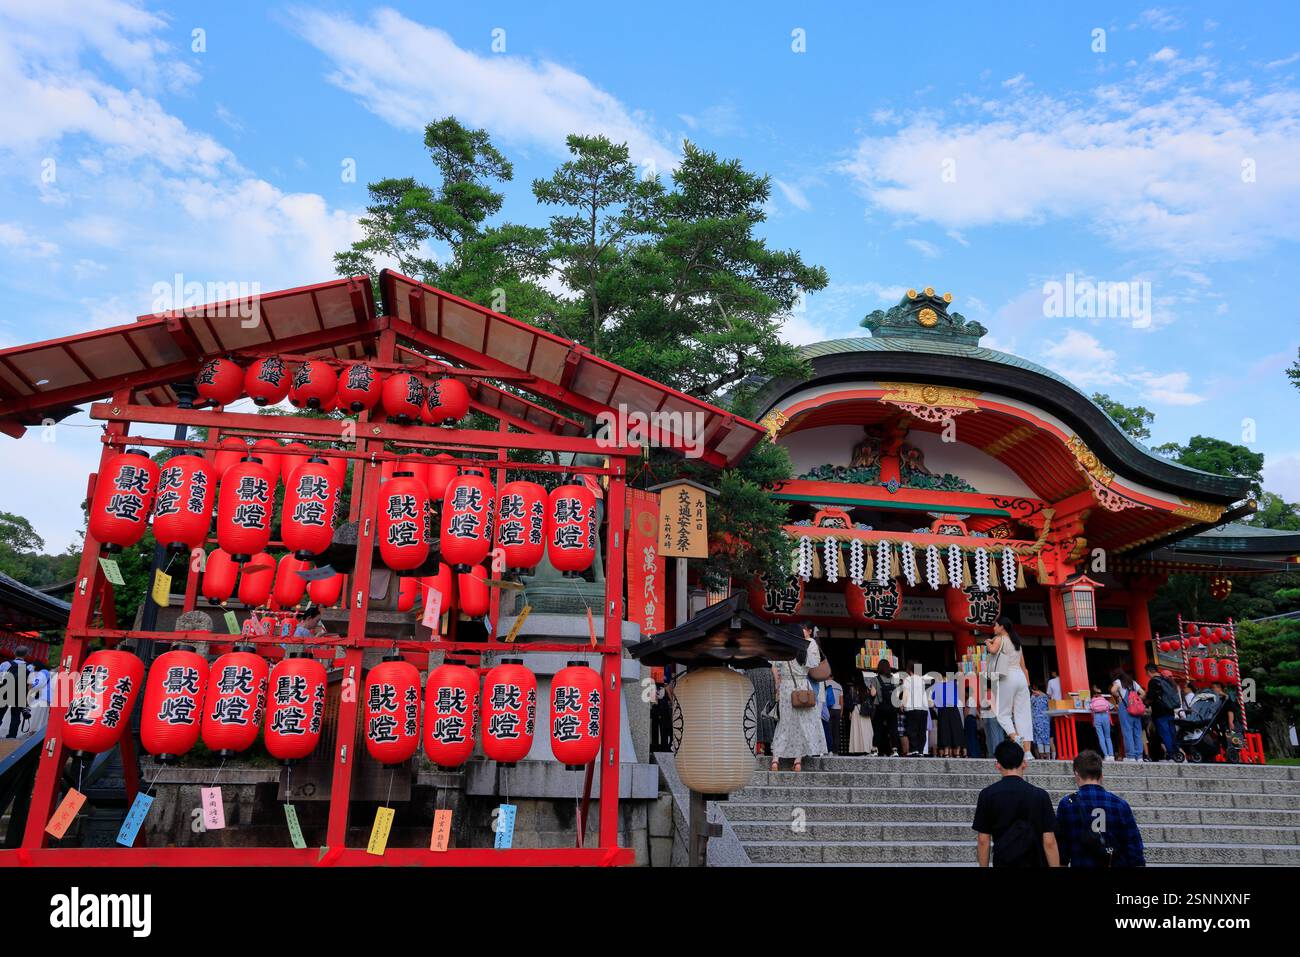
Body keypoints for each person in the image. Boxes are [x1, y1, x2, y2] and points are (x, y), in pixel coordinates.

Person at [972, 739, 1059, 867]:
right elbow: (1049, 841)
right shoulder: (1040, 795)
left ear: (998, 765)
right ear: (1024, 763)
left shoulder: (987, 795)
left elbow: (983, 840)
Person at [1055, 750, 1146, 867]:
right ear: (1101, 776)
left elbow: (1062, 850)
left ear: (1077, 775)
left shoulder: (1067, 804)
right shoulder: (1120, 804)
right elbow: (1134, 848)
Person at [770, 627, 828, 772]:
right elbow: (815, 664)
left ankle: (776, 759)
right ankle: (797, 761)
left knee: (784, 723)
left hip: (785, 689)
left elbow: (774, 668)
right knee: (802, 724)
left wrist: (777, 686)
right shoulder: (805, 650)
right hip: (802, 687)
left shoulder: (782, 650)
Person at [987, 617, 1034, 757]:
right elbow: (1024, 666)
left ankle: (1015, 737)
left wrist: (987, 642)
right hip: (1020, 677)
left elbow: (993, 651)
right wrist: (1028, 684)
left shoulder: (999, 639)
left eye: (995, 626)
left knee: (1002, 713)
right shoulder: (1017, 642)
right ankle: (1028, 752)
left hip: (1007, 676)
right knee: (1023, 715)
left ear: (1002, 627)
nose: (994, 628)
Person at [1144, 663, 1179, 761]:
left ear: (1149, 671)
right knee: (1172, 732)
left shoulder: (1153, 682)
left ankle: (1170, 754)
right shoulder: (1166, 680)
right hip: (1170, 710)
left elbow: (1151, 697)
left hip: (1159, 711)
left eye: (1146, 672)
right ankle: (1177, 752)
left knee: (1165, 732)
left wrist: (1145, 702)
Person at [1112, 670, 1146, 762]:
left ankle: (1130, 756)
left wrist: (1118, 696)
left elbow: (1113, 690)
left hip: (1125, 710)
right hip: (1136, 711)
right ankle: (1139, 756)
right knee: (1137, 733)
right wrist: (1137, 700)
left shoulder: (1118, 682)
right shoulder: (1134, 683)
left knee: (1127, 732)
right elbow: (1143, 693)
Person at [0, 644, 32, 739]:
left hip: (5, 691)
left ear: (14, 653)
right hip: (20, 693)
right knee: (16, 716)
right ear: (26, 655)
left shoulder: (6, 664)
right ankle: (11, 736)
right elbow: (30, 684)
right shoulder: (29, 667)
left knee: (0, 713)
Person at [872, 659, 901, 757]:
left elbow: (873, 693)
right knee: (893, 729)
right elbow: (897, 694)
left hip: (880, 707)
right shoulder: (894, 679)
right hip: (892, 708)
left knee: (878, 728)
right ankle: (895, 750)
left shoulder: (876, 679)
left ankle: (875, 749)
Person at [901, 661, 928, 757]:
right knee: (921, 730)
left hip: (913, 707)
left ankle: (914, 749)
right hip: (924, 708)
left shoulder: (908, 680)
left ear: (909, 669)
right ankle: (920, 750)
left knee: (912, 729)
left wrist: (902, 704)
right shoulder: (922, 680)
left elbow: (906, 693)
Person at [746, 665, 775, 756]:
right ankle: (770, 748)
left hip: (750, 673)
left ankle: (757, 748)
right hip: (768, 673)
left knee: (754, 710)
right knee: (768, 711)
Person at [933, 672, 963, 757]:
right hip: (953, 709)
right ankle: (957, 753)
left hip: (943, 710)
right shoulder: (954, 684)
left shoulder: (937, 686)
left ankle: (946, 752)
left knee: (944, 730)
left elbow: (934, 702)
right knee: (956, 729)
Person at [848, 676, 877, 755]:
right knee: (867, 730)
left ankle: (858, 749)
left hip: (856, 710)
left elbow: (850, 702)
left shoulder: (852, 689)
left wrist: (850, 712)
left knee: (857, 731)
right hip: (865, 710)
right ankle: (868, 747)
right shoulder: (866, 689)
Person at [1089, 685, 1115, 760]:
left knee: (1101, 737)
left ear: (1094, 694)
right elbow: (1112, 707)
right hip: (1105, 716)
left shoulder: (1092, 700)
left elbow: (1089, 707)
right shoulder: (1105, 700)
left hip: (1097, 717)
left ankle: (1106, 755)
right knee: (1108, 737)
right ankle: (1112, 755)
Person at [1031, 683, 1052, 759]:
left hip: (1036, 719)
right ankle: (1048, 756)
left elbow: (1031, 706)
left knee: (1039, 737)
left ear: (1035, 687)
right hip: (1046, 718)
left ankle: (1042, 757)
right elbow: (1049, 707)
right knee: (1046, 737)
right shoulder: (1046, 696)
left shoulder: (1034, 696)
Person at [824, 675, 843, 754]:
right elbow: (841, 701)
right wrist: (841, 712)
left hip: (828, 709)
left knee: (828, 730)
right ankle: (836, 751)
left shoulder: (824, 683)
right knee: (836, 731)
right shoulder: (839, 686)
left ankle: (829, 750)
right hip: (837, 710)